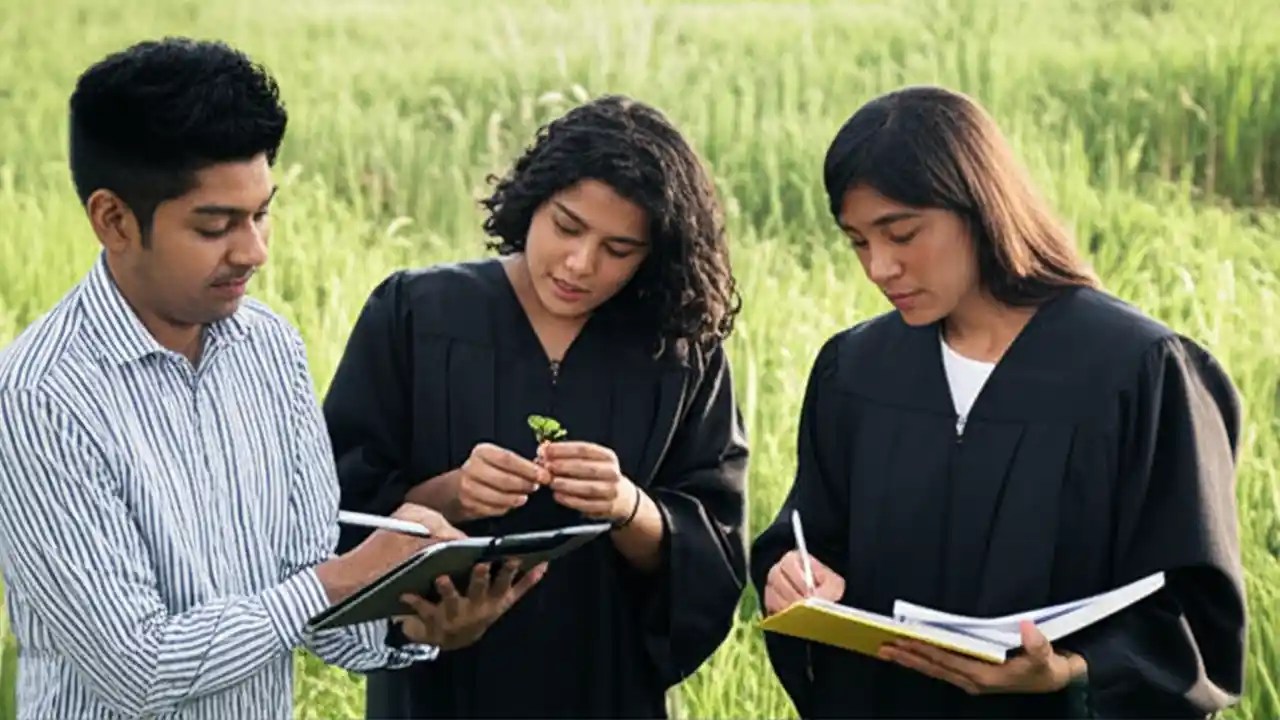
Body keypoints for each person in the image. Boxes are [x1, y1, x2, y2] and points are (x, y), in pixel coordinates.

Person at [0, 38, 542, 720]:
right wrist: (344, 577)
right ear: (114, 220)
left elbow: (308, 601)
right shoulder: (41, 397)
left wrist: (414, 623)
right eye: (215, 226)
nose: (254, 251)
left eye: (261, 214)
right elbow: (136, 669)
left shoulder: (270, 348)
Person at [750, 85, 1247, 719]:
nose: (879, 267)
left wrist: (1069, 671)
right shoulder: (857, 371)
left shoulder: (1137, 372)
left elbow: (1195, 611)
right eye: (858, 242)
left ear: (980, 208)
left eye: (901, 234)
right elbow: (813, 534)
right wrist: (795, 574)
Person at [322, 94, 750, 718]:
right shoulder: (417, 314)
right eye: (567, 227)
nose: (580, 264)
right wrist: (453, 494)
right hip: (439, 685)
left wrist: (627, 506)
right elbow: (335, 507)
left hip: (604, 688)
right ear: (533, 200)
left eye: (619, 249)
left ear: (653, 252)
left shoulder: (678, 351)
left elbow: (714, 549)